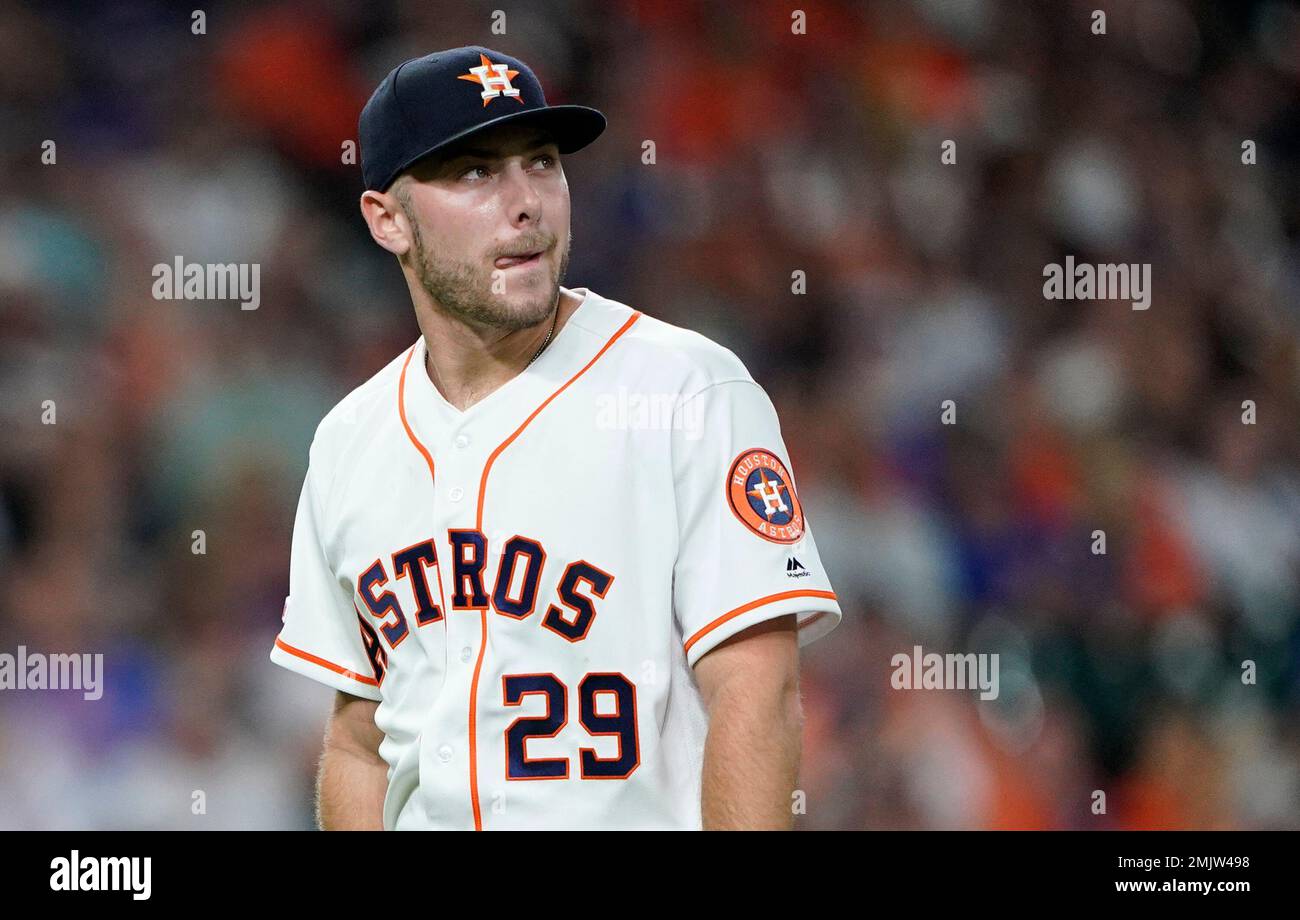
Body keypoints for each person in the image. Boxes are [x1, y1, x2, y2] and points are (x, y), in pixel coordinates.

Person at [270, 45, 841, 830]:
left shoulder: (686, 390)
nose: (526, 202)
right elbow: (360, 742)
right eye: (475, 172)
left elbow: (757, 687)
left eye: (540, 163)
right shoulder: (348, 443)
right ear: (387, 220)